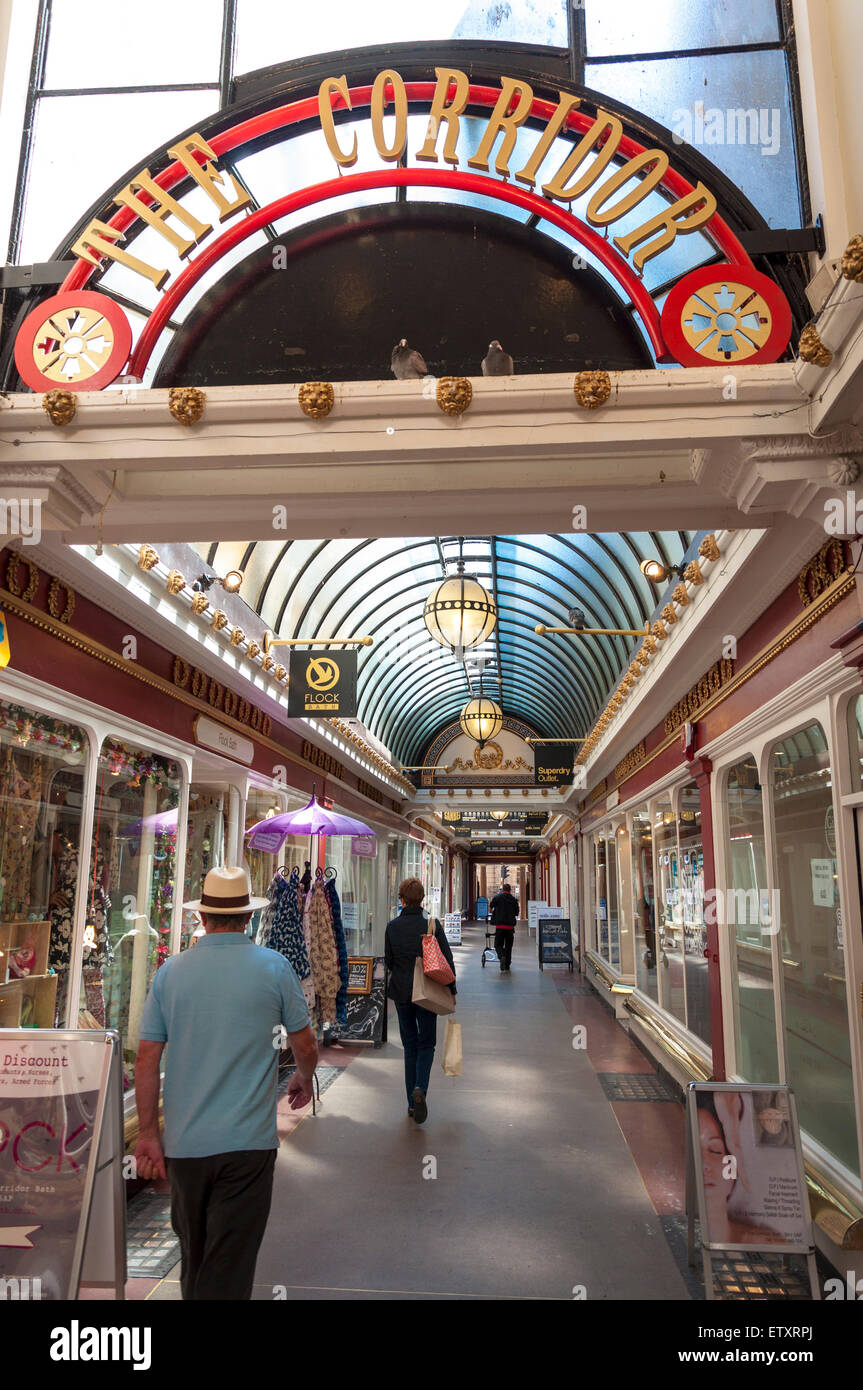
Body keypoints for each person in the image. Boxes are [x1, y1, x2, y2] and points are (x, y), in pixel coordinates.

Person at [133, 865, 318, 1300]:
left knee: (195, 1256)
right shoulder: (275, 968)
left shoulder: (171, 973)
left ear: (202, 916)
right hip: (247, 1146)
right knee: (230, 1264)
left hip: (185, 1146)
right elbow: (306, 1044)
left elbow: (146, 1059)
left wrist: (148, 1134)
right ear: (249, 916)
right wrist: (304, 1077)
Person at [384, 877, 456, 1124]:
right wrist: (452, 990)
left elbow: (389, 961)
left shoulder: (392, 927)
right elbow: (446, 959)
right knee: (426, 1043)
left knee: (410, 1045)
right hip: (427, 991)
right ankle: (420, 1088)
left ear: (402, 900)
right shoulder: (431, 925)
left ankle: (411, 1105)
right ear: (422, 899)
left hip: (402, 992)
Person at [489, 880, 518, 972]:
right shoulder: (514, 899)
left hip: (500, 926)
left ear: (503, 890)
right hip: (510, 928)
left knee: (498, 944)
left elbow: (490, 907)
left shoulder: (497, 897)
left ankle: (501, 956)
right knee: (509, 946)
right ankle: (507, 965)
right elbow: (517, 912)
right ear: (510, 890)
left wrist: (494, 913)